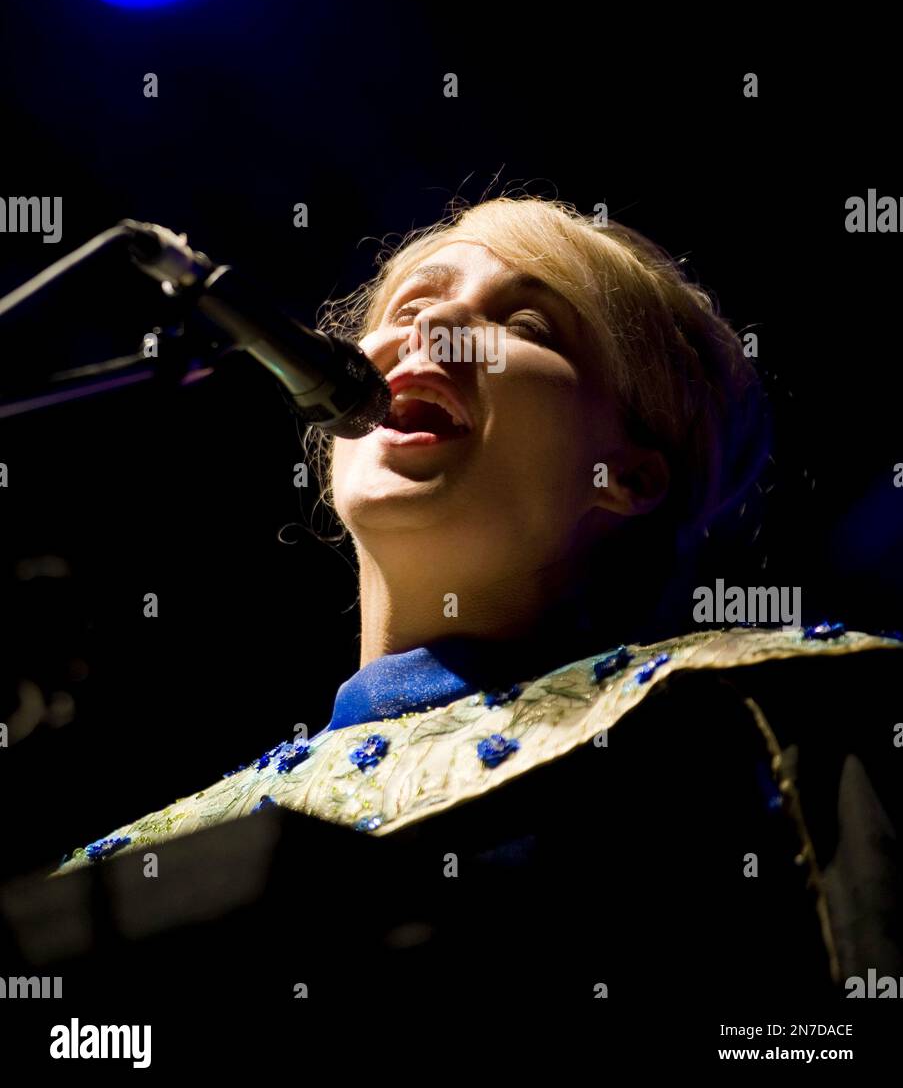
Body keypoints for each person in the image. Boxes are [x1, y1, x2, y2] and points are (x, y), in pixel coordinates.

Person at [51, 196, 903, 1013]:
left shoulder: (762, 719)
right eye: (414, 302)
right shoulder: (132, 869)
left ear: (633, 475)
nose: (432, 328)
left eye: (527, 326)